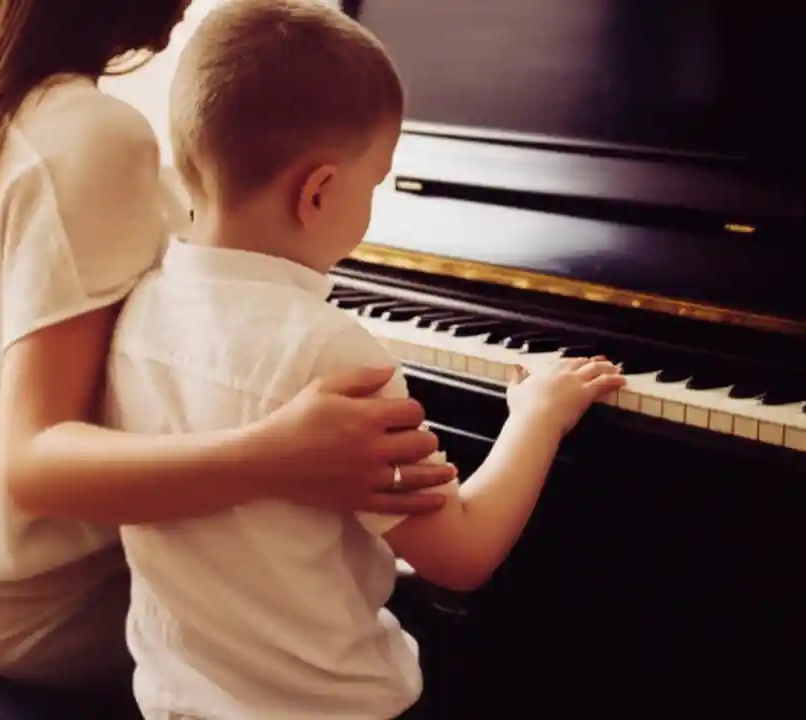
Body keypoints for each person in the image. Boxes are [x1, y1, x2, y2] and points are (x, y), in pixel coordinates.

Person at [0, 0, 457, 694]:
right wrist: (280, 454)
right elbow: (34, 464)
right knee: (429, 628)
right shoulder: (91, 133)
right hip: (55, 606)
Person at [100, 1, 629, 717]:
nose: (377, 198)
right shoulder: (331, 352)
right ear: (318, 192)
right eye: (378, 180)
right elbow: (463, 554)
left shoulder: (140, 310)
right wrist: (537, 415)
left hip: (176, 700)